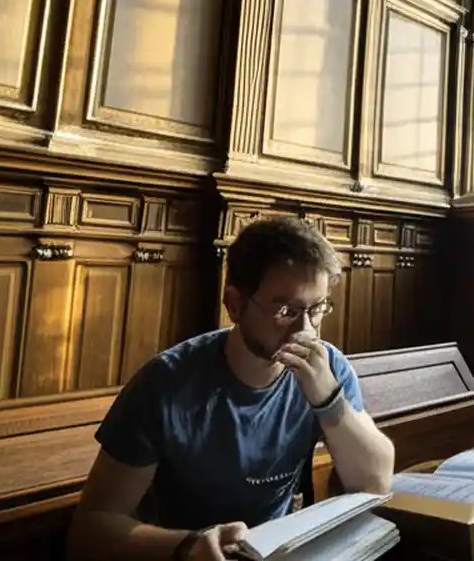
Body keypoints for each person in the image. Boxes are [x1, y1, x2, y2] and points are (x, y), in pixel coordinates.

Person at [67, 218, 395, 561]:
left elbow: (374, 483)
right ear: (235, 303)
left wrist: (329, 400)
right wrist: (188, 546)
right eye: (286, 311)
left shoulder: (329, 368)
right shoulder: (164, 383)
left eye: (317, 309)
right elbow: (90, 530)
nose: (306, 330)